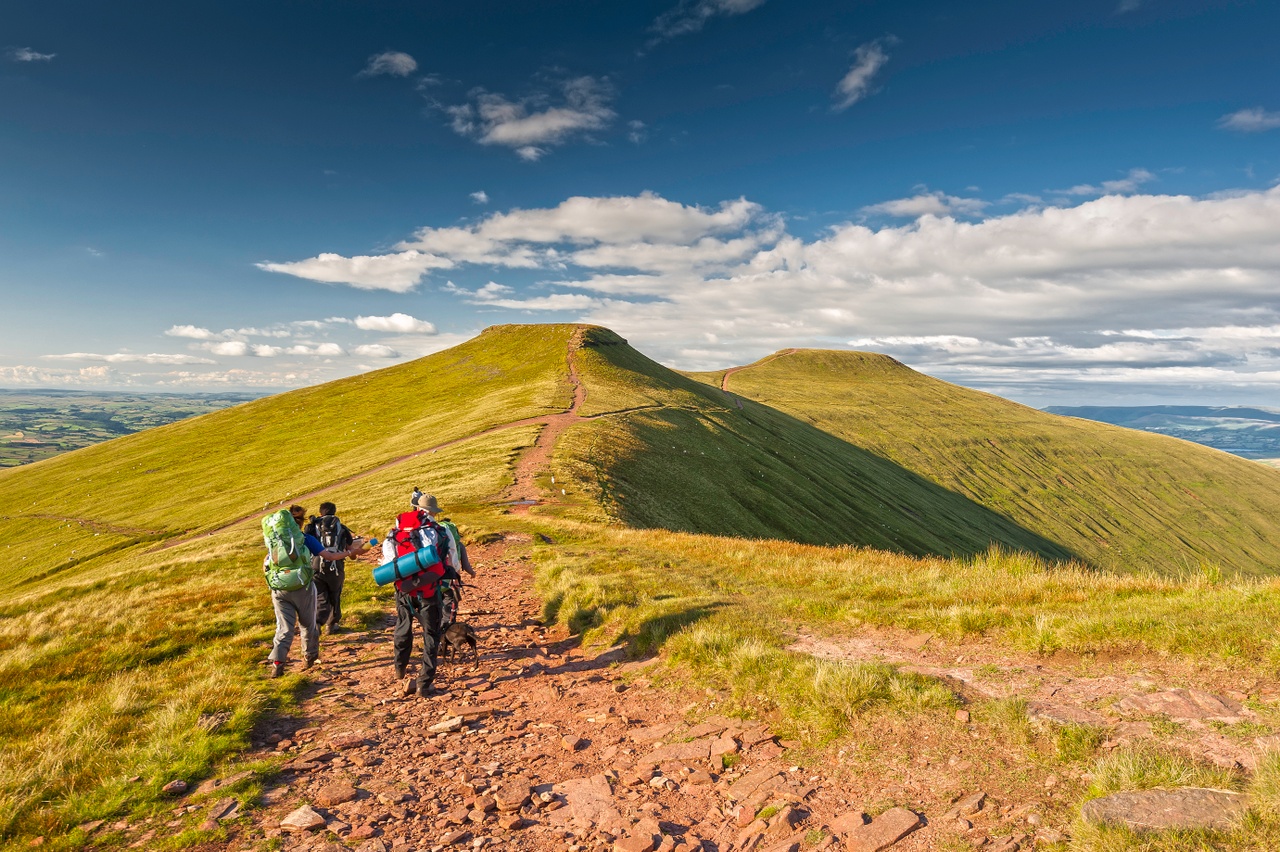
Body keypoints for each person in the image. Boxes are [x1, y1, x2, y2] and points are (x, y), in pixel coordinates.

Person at [266, 504, 361, 678]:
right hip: (303, 587)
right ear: (300, 523)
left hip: (279, 589)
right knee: (307, 623)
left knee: (284, 628)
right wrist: (348, 553)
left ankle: (278, 663)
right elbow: (330, 556)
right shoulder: (305, 539)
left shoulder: (274, 540)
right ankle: (309, 657)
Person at [387, 491, 452, 696]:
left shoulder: (394, 533)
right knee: (431, 634)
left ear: (416, 508)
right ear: (433, 511)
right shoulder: (439, 531)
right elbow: (452, 560)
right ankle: (424, 683)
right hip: (429, 589)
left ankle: (400, 667)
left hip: (404, 589)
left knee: (403, 626)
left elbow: (388, 563)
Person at [414, 490, 475, 629]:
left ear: (418, 509)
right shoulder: (443, 530)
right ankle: (446, 633)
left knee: (429, 610)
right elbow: (453, 553)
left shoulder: (411, 529)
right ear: (434, 511)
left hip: (420, 580)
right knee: (448, 603)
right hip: (444, 577)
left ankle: (430, 636)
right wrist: (456, 573)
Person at [304, 502, 353, 633]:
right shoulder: (341, 528)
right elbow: (350, 548)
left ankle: (317, 624)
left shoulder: (312, 528)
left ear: (320, 513)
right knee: (335, 595)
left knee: (320, 596)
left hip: (316, 567)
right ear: (335, 512)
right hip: (336, 567)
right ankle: (331, 625)